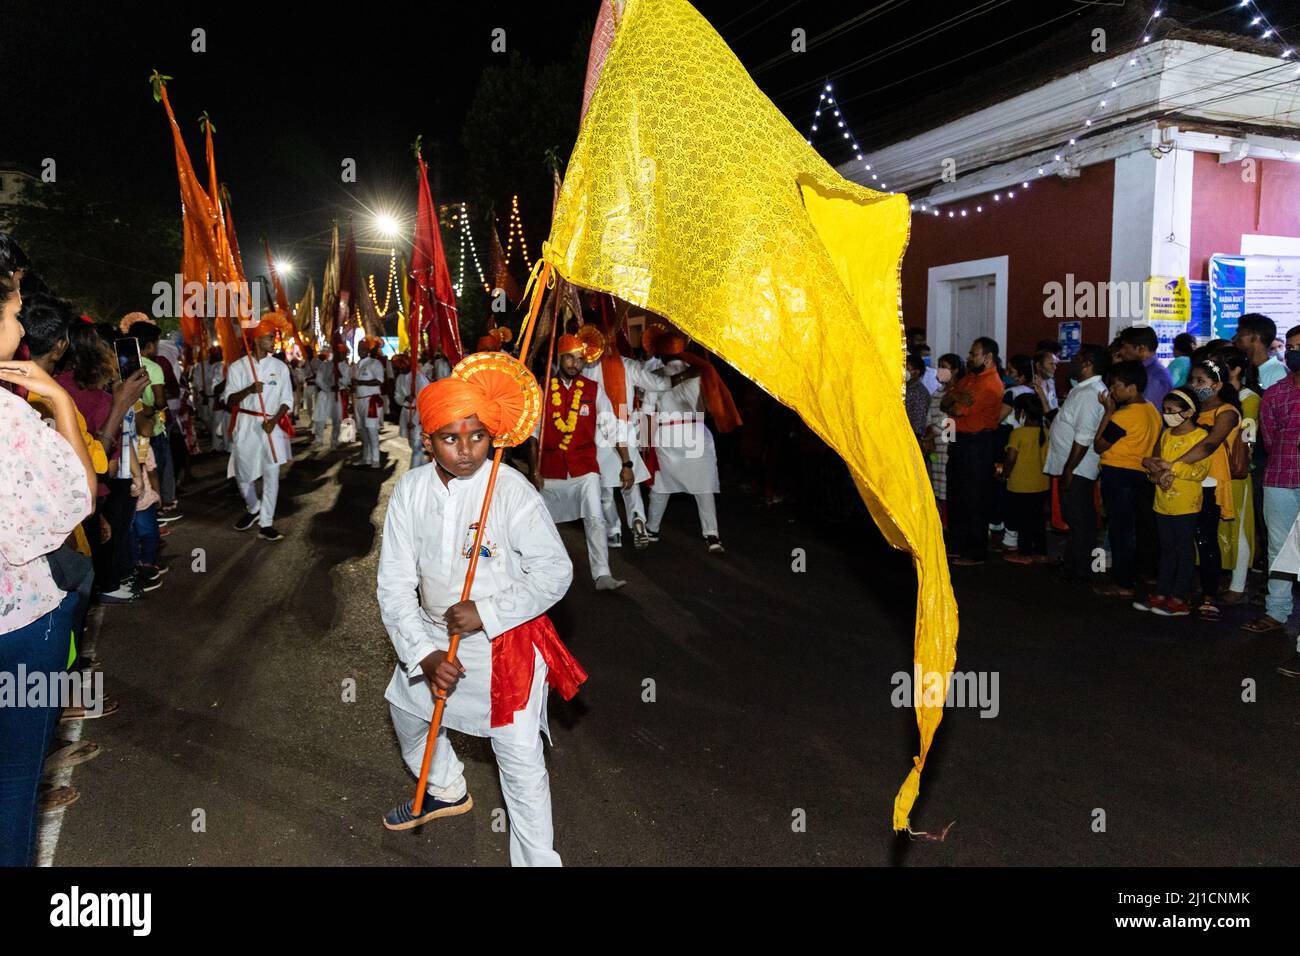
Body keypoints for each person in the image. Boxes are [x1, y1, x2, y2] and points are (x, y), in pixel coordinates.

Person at [377, 367, 586, 866]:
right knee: (407, 715)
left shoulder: (510, 489)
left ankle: (538, 862)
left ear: (494, 437)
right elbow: (394, 584)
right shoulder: (410, 491)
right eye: (451, 439)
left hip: (504, 648)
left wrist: (487, 611)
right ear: (428, 443)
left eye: (477, 436)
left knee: (519, 763)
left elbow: (555, 573)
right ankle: (447, 787)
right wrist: (424, 654)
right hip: (430, 640)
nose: (466, 449)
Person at [0, 239, 97, 865]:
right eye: (11, 311)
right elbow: (76, 499)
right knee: (12, 785)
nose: (17, 326)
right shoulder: (11, 422)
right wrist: (57, 401)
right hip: (18, 624)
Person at [528, 335, 628, 590]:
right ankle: (539, 574)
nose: (574, 364)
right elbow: (533, 435)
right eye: (570, 358)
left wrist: (626, 464)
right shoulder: (543, 388)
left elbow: (612, 429)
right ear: (559, 359)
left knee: (595, 517)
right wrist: (533, 471)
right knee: (541, 526)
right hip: (550, 469)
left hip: (585, 467)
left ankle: (602, 574)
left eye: (580, 360)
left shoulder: (594, 390)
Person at [1145, 359, 1240, 619]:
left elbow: (1208, 446)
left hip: (1207, 484)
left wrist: (1169, 467)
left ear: (1218, 385)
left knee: (1204, 541)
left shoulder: (1227, 411)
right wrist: (1158, 469)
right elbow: (1154, 452)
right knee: (1175, 544)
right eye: (1192, 380)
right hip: (1174, 487)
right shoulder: (1181, 420)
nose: (1195, 386)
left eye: (1201, 381)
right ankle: (1175, 592)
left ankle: (1208, 596)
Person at [581, 325, 688, 550]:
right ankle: (638, 519)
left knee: (603, 483)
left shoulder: (589, 367)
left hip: (600, 429)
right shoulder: (629, 365)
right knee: (629, 478)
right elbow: (659, 384)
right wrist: (683, 375)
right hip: (625, 426)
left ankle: (614, 531)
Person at [641, 329, 741, 554]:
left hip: (667, 436)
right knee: (703, 487)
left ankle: (652, 529)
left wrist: (645, 444)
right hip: (696, 433)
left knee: (661, 485)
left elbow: (647, 412)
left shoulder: (655, 376)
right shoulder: (699, 372)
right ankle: (712, 536)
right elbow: (711, 404)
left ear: (662, 354)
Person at [1243, 324, 1300, 677]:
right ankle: (1277, 610)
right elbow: (1269, 435)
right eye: (1291, 346)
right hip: (1280, 477)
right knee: (1280, 548)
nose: (1295, 351)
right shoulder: (1277, 393)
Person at [1133, 389, 1210, 616]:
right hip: (1162, 503)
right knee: (1166, 549)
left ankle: (1179, 597)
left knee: (1184, 550)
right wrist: (1155, 474)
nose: (1167, 415)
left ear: (1188, 412)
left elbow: (1200, 471)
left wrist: (1171, 469)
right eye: (1165, 410)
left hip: (1186, 503)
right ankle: (1162, 593)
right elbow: (1154, 465)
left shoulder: (1200, 438)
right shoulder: (1167, 435)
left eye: (1171, 411)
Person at [1094, 360, 1161, 599]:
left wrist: (1108, 412)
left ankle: (1123, 582)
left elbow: (1099, 444)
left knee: (1121, 529)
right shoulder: (1152, 409)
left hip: (1119, 473)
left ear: (1131, 387)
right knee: (1140, 527)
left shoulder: (1125, 416)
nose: (1112, 390)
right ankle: (1144, 572)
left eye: (1116, 386)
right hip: (1142, 474)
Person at [225, 315, 294, 541]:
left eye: (273, 336)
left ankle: (266, 522)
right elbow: (229, 400)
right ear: (255, 340)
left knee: (271, 475)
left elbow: (287, 400)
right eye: (268, 337)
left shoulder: (280, 367)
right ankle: (253, 507)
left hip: (271, 425)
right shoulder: (237, 367)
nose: (273, 340)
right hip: (245, 424)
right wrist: (249, 390)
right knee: (242, 473)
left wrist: (274, 421)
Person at [1044, 345, 1111, 582]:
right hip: (1072, 466)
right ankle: (1073, 564)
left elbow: (1084, 437)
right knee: (1076, 518)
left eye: (1076, 358)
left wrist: (1069, 469)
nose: (1071, 362)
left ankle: (1082, 569)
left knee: (1080, 519)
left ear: (1088, 363)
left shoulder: (1089, 393)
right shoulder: (1082, 390)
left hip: (1078, 468)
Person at [941, 336, 1004, 565]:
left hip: (978, 445)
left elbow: (956, 410)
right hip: (960, 442)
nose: (969, 357)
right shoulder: (970, 378)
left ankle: (975, 552)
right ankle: (957, 545)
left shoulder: (991, 384)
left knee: (975, 499)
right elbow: (944, 403)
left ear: (987, 357)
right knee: (956, 495)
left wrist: (953, 398)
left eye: (973, 354)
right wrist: (954, 397)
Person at [1216, 347, 1259, 605]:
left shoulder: (1249, 398)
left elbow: (1248, 437)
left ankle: (1238, 584)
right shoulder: (1219, 396)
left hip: (1235, 472)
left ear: (1236, 370)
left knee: (1239, 527)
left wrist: (1242, 459)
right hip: (1215, 470)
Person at [1000, 392, 1050, 565]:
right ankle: (1041, 552)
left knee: (1023, 521)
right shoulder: (1046, 432)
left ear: (1022, 413)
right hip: (1042, 484)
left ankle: (1025, 553)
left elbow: (1011, 458)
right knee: (1038, 521)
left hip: (1020, 485)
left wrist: (1004, 474)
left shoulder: (1018, 434)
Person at [128, 405, 164, 592]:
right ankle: (144, 564)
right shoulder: (141, 444)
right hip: (137, 499)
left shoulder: (139, 445)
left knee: (140, 534)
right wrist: (158, 494)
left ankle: (142, 564)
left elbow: (152, 471)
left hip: (140, 500)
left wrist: (156, 494)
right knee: (146, 534)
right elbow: (153, 473)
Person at [923, 353, 962, 520]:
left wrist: (939, 435)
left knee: (947, 482)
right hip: (935, 444)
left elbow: (952, 420)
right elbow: (930, 415)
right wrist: (930, 434)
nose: (940, 370)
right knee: (936, 482)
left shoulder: (958, 391)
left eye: (944, 366)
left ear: (955, 370)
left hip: (947, 443)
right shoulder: (938, 391)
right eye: (939, 366)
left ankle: (948, 520)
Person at [351, 338, 386, 469]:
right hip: (359, 401)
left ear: (368, 350)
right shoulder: (356, 365)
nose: (361, 351)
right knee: (362, 431)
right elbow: (354, 383)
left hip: (371, 401)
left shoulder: (374, 363)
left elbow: (379, 380)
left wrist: (360, 383)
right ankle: (366, 457)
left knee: (371, 430)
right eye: (359, 348)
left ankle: (376, 459)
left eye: (363, 348)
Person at [1117, 325, 1172, 408]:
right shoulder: (1141, 370)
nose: (1121, 351)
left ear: (1141, 349)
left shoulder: (1153, 377)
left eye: (1125, 347)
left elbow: (1146, 415)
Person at [393, 356, 432, 469]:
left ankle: (413, 471)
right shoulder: (400, 377)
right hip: (405, 412)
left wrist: (415, 398)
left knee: (416, 444)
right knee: (412, 443)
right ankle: (422, 466)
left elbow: (425, 396)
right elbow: (397, 394)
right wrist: (404, 398)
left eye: (402, 367)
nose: (400, 369)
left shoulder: (419, 377)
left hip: (417, 412)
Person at [904, 353, 930, 438]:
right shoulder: (905, 388)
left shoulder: (919, 392)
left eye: (907, 368)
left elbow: (918, 423)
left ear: (916, 372)